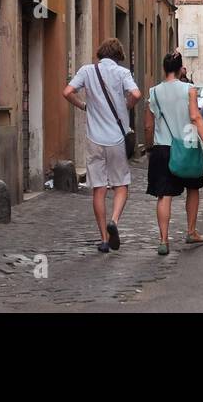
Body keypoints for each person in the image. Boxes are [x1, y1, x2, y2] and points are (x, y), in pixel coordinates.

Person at [62, 38, 141, 253]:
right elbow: (136, 94)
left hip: (94, 138)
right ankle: (114, 220)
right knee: (121, 185)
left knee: (98, 188)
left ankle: (104, 239)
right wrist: (127, 106)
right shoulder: (122, 73)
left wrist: (83, 106)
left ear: (101, 53)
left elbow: (67, 92)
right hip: (116, 137)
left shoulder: (87, 71)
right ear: (118, 56)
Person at [146, 51, 203, 255]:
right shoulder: (189, 89)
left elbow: (148, 125)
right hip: (187, 144)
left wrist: (151, 147)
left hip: (162, 147)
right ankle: (191, 231)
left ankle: (163, 240)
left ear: (164, 68)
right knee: (193, 188)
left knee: (164, 195)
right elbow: (195, 117)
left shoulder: (154, 92)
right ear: (180, 68)